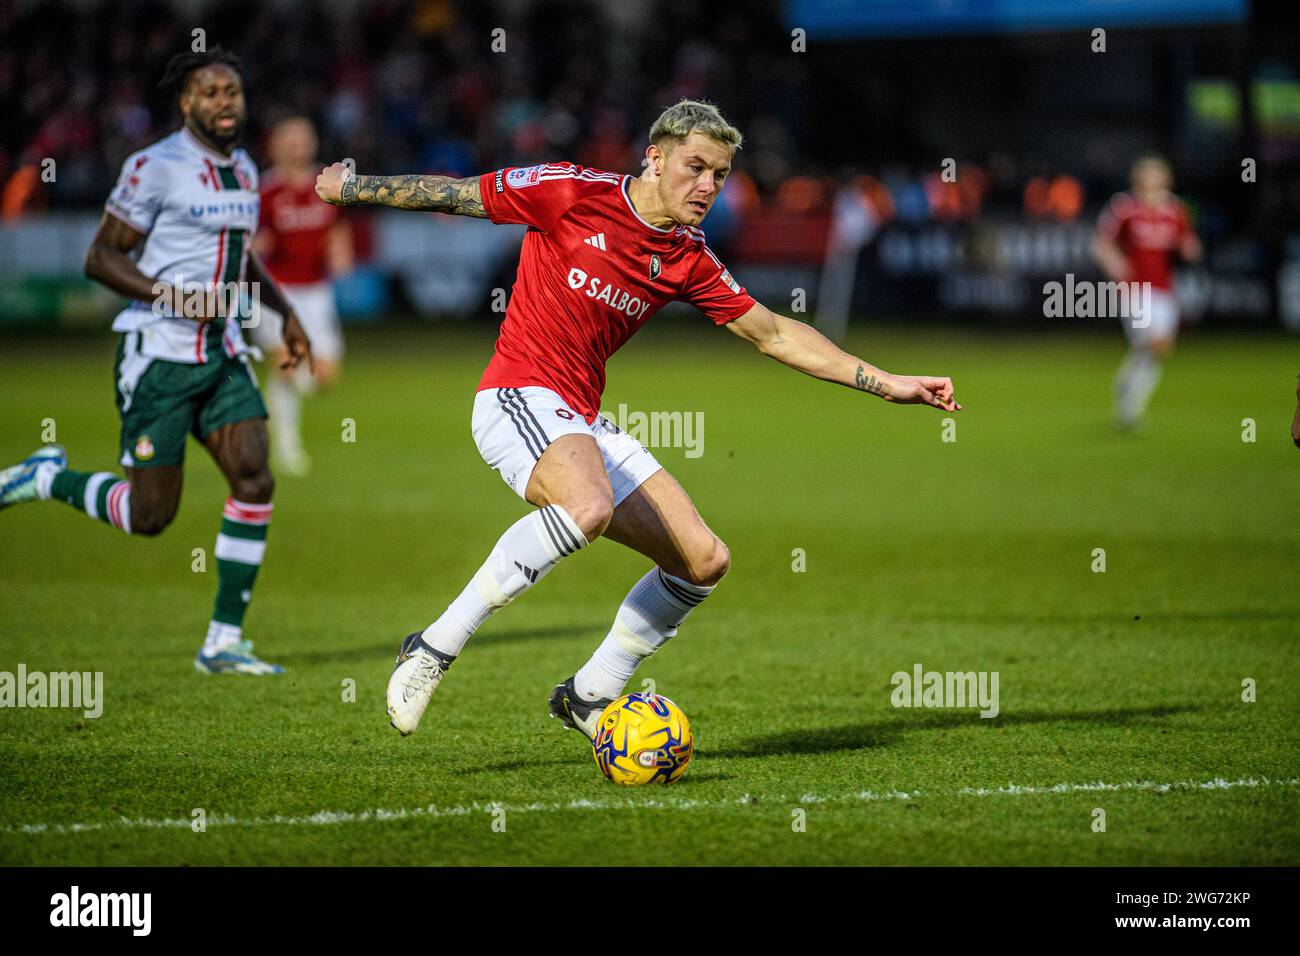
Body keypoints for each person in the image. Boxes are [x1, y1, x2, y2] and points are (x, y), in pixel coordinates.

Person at [314, 99, 960, 738]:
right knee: (586, 507)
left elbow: (774, 333)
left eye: (720, 176)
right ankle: (431, 647)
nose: (706, 186)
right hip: (516, 394)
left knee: (701, 562)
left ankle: (589, 696)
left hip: (580, 417)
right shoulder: (570, 191)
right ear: (654, 157)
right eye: (695, 166)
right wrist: (353, 187)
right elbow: (456, 195)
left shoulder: (686, 256)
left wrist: (886, 383)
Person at [0, 48, 312, 674]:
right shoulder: (156, 166)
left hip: (222, 353)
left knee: (255, 476)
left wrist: (284, 312)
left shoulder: (246, 169)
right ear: (186, 103)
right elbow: (101, 257)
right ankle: (43, 478)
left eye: (234, 90)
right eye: (212, 92)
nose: (226, 101)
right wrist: (174, 296)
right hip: (159, 359)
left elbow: (240, 256)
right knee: (150, 517)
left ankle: (222, 643)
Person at [250, 115, 354, 476]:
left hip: (317, 291)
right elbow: (248, 242)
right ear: (275, 145)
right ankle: (285, 448)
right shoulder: (264, 191)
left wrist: (341, 255)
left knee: (323, 377)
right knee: (288, 364)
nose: (298, 146)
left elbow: (337, 230)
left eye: (303, 138)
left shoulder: (325, 186)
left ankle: (256, 414)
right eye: (289, 139)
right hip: (275, 292)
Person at [1094, 154, 1202, 429]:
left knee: (1157, 351)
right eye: (1146, 175)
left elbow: (1185, 240)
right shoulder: (1124, 207)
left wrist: (1190, 248)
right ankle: (1129, 401)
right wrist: (1115, 265)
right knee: (1155, 342)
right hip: (1134, 290)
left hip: (1164, 289)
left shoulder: (1175, 210)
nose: (1151, 181)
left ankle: (1128, 397)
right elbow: (1102, 243)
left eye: (1157, 175)